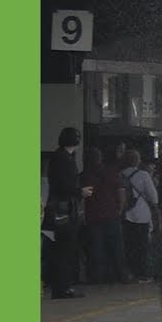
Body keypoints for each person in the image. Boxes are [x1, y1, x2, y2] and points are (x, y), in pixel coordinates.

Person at [45, 127, 92, 299]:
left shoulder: (59, 157)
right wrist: (80, 192)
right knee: (65, 248)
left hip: (59, 207)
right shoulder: (64, 159)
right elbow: (63, 185)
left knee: (61, 249)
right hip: (63, 210)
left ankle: (61, 286)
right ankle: (62, 287)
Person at [80, 147, 129, 283]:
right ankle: (118, 275)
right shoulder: (111, 172)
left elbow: (81, 198)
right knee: (116, 247)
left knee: (96, 248)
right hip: (111, 214)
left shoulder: (84, 175)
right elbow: (121, 191)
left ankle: (97, 277)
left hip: (93, 216)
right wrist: (119, 209)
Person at [121, 149, 159, 283]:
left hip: (124, 215)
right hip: (141, 215)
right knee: (141, 246)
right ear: (138, 161)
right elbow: (154, 197)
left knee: (128, 246)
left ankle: (129, 272)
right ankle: (141, 273)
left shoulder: (120, 174)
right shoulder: (143, 175)